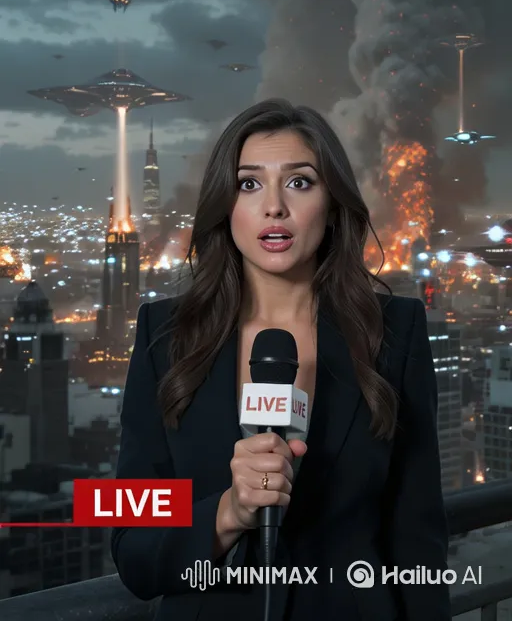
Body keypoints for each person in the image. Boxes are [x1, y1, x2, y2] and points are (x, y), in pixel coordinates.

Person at [111, 98, 451, 621]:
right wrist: (229, 512)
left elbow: (418, 540)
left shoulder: (395, 331)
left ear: (333, 202)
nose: (274, 207)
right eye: (249, 184)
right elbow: (132, 552)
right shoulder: (164, 337)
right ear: (225, 207)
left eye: (299, 182)